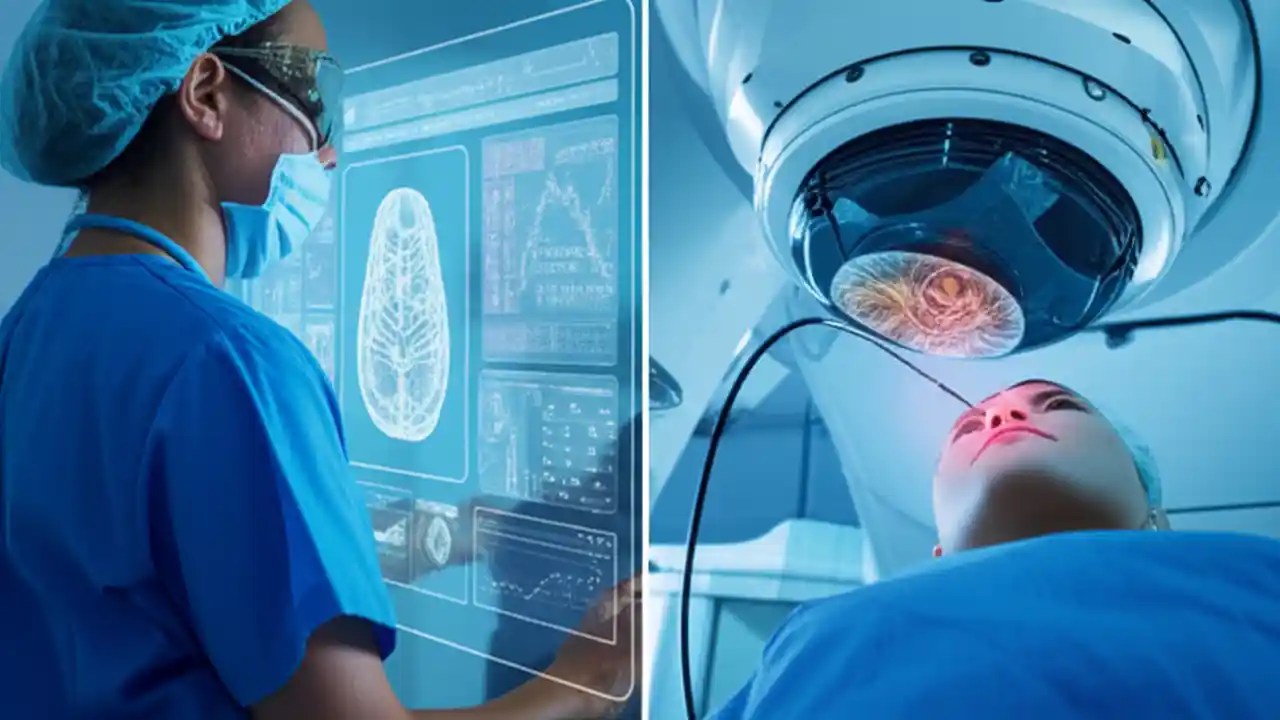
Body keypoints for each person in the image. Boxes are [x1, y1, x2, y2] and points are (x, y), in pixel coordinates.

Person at [0, 2, 637, 718]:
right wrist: (589, 679)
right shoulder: (230, 361)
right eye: (315, 96)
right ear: (206, 94)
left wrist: (442, 535)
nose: (327, 149)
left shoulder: (27, 333)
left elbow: (156, 566)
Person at [708, 379, 1280, 719]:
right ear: (938, 555)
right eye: (967, 428)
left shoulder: (1260, 578)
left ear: (1160, 516)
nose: (1004, 416)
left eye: (1059, 405)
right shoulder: (805, 640)